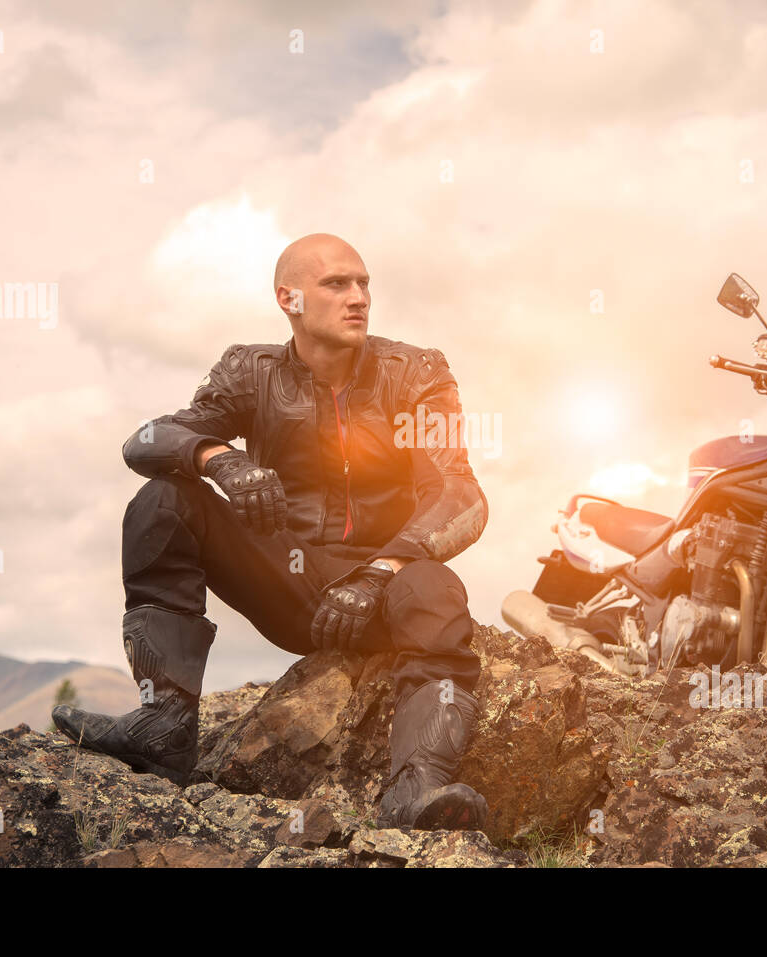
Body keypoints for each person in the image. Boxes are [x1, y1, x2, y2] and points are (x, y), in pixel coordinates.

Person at [52, 233, 490, 830]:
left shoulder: (415, 373)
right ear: (289, 298)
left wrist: (379, 570)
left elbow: (460, 494)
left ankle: (415, 790)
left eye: (364, 284)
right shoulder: (249, 371)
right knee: (163, 500)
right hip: (290, 581)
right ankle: (164, 725)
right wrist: (218, 458)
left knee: (436, 586)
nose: (358, 297)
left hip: (388, 590)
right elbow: (146, 440)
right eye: (337, 284)